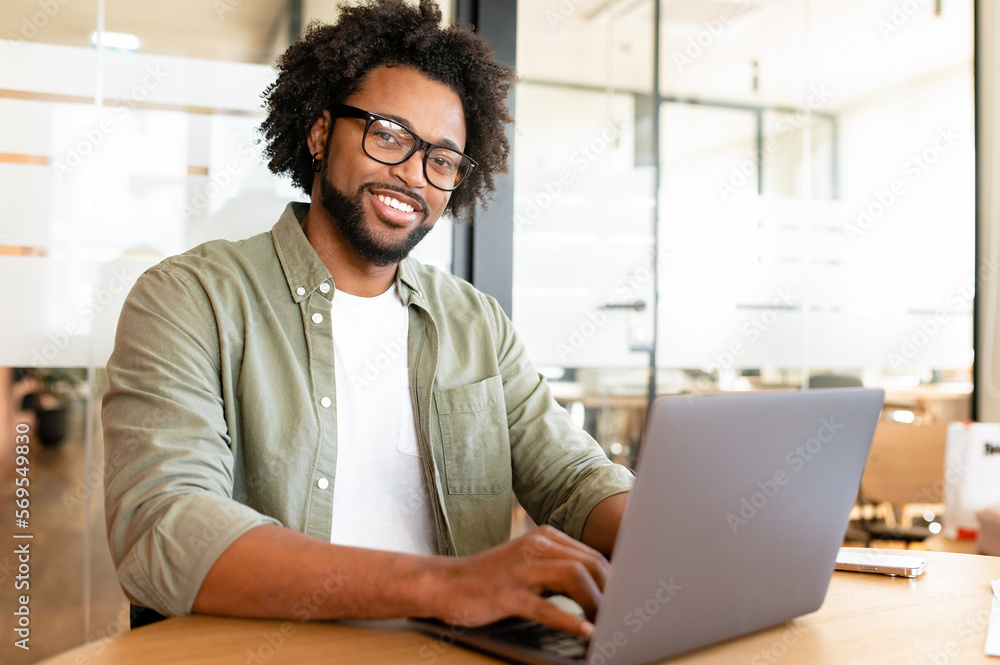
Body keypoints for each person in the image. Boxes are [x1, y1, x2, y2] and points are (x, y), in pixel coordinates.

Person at [102, 0, 632, 638]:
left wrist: (681, 534)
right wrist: (447, 586)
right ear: (320, 132)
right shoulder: (191, 299)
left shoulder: (475, 323)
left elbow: (573, 478)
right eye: (387, 134)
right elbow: (164, 529)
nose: (413, 174)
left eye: (442, 160)